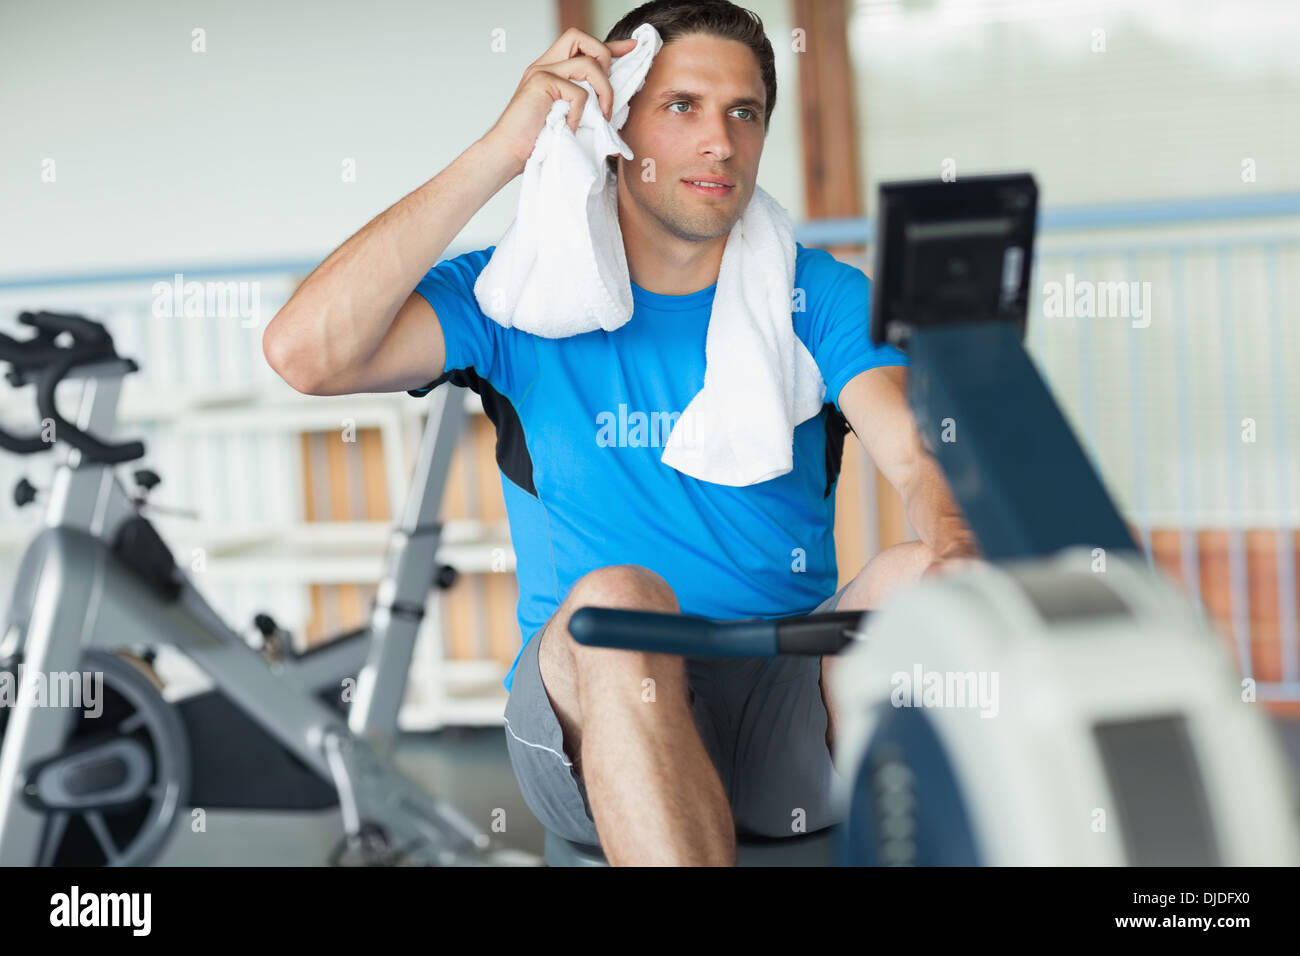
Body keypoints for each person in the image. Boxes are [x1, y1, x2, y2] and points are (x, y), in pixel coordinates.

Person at [264, 0, 979, 866]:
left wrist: (955, 550)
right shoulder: (517, 295)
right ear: (615, 122)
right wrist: (504, 149)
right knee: (621, 600)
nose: (720, 140)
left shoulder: (812, 293)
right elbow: (305, 354)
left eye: (742, 113)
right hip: (591, 694)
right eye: (682, 106)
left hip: (781, 701)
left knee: (923, 577)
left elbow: (914, 453)